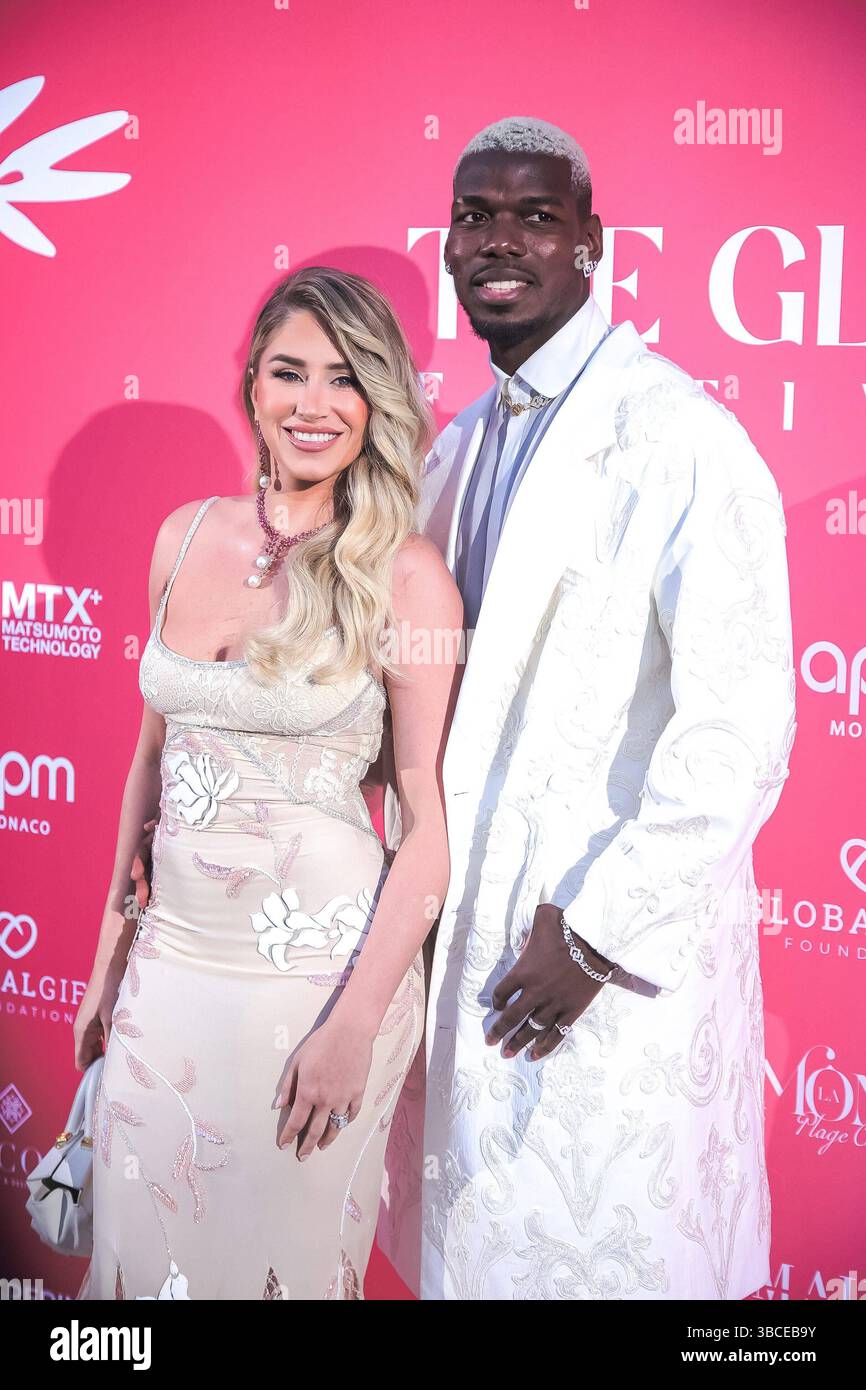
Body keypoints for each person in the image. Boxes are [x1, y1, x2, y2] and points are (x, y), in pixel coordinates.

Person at [400, 116, 797, 1301]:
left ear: (592, 244)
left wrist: (593, 932)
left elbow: (738, 730)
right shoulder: (455, 449)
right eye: (473, 216)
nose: (497, 240)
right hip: (464, 948)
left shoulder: (681, 436)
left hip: (595, 965)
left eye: (533, 214)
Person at [73, 266, 462, 1300]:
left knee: (272, 1274)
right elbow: (151, 758)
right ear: (251, 384)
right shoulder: (184, 533)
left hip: (316, 983)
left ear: (376, 400)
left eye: (343, 379)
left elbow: (424, 825)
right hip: (170, 967)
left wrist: (355, 1024)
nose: (312, 403)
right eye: (288, 372)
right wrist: (109, 952)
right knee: (139, 1265)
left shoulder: (407, 573)